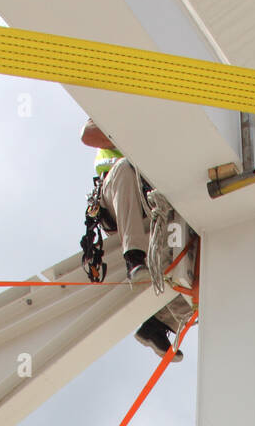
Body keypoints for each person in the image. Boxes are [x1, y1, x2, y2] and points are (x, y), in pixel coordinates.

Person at [80, 119, 193, 358]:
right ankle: (134, 257)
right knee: (124, 168)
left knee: (203, 242)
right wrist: (135, 133)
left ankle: (159, 325)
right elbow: (88, 135)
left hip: (153, 199)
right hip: (117, 192)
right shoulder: (115, 106)